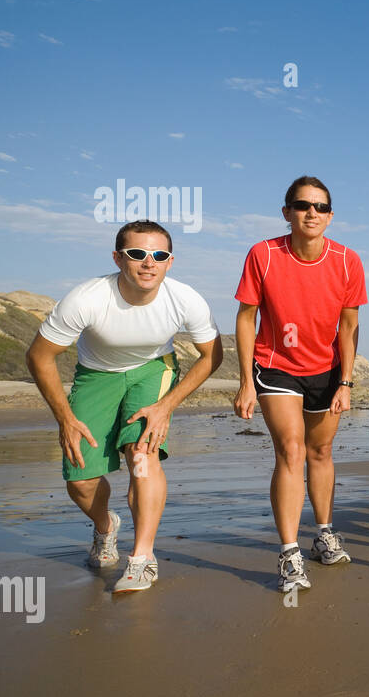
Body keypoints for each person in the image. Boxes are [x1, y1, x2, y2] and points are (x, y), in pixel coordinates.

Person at [25, 220, 223, 594]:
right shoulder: (86, 298)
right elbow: (39, 356)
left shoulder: (185, 299)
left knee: (142, 454)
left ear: (169, 261)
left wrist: (165, 406)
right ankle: (105, 527)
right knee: (80, 478)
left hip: (152, 369)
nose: (149, 263)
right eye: (137, 253)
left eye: (159, 255)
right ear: (118, 258)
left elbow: (212, 356)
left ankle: (142, 558)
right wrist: (65, 418)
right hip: (96, 375)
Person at [233, 176, 366, 594]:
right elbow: (245, 318)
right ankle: (289, 553)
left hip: (326, 371)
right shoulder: (264, 254)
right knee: (291, 450)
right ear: (287, 211)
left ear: (330, 215)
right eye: (303, 205)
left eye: (321, 207)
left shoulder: (347, 260)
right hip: (276, 365)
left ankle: (324, 533)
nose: (312, 213)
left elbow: (349, 326)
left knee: (320, 450)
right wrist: (245, 382)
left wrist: (345, 381)